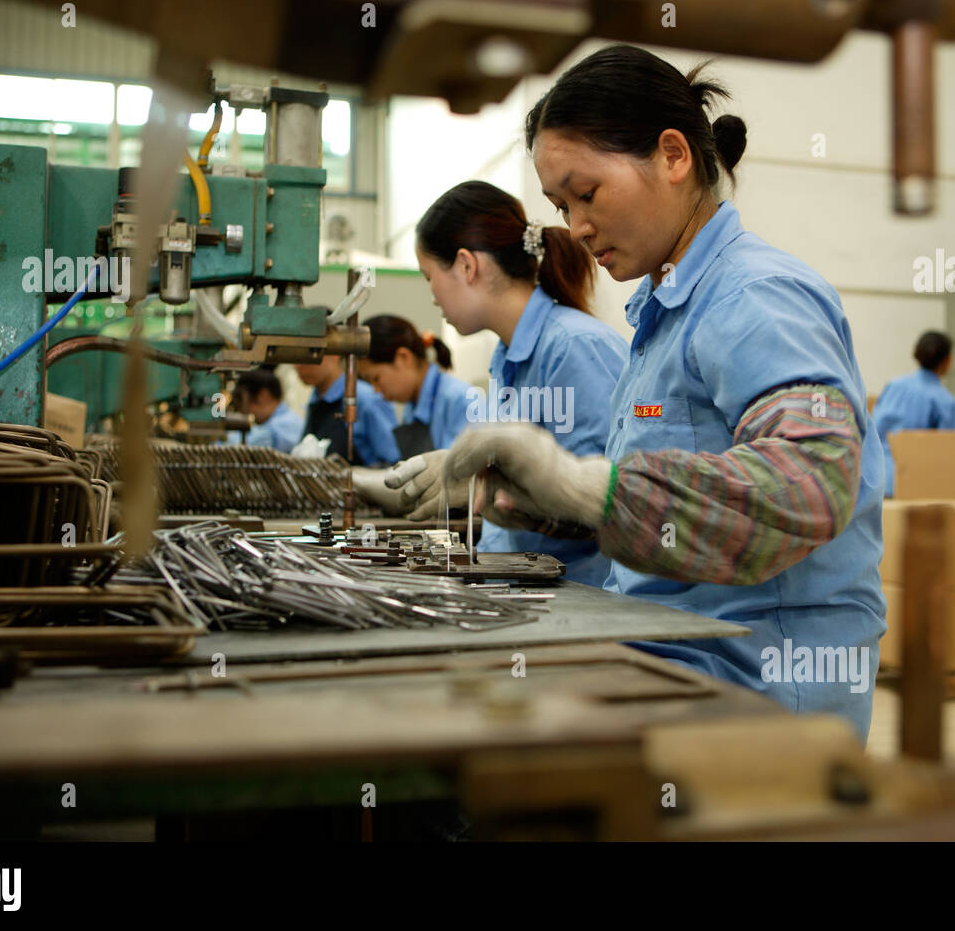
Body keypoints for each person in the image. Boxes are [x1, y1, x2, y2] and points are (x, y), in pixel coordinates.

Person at [438, 45, 885, 741]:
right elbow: (670, 505)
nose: (576, 227)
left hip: (756, 691)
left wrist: (585, 485)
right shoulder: (662, 317)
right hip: (675, 659)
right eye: (561, 205)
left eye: (586, 194)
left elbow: (811, 482)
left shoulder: (753, 297)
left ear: (673, 156)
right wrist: (547, 504)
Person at [386, 180, 629, 586]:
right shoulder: (506, 359)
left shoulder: (575, 348)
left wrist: (491, 485)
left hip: (575, 602)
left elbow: (616, 505)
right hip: (519, 592)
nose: (432, 297)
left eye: (430, 277)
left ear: (466, 265)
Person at [357, 314, 473, 461]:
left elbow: (466, 474)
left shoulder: (459, 399)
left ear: (403, 358)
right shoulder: (412, 407)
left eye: (375, 379)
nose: (376, 390)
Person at [871, 330, 955, 496]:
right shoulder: (944, 400)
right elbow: (954, 451)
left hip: (875, 481)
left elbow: (872, 430)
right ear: (947, 361)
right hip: (914, 487)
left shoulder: (893, 386)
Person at [296, 349, 401, 467]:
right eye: (294, 357)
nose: (297, 365)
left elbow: (393, 463)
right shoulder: (315, 399)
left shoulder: (365, 399)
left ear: (334, 353)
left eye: (308, 354)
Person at [231, 366, 304, 454]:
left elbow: (244, 444)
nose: (241, 411)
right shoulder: (280, 421)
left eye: (242, 401)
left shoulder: (285, 424)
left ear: (263, 395)